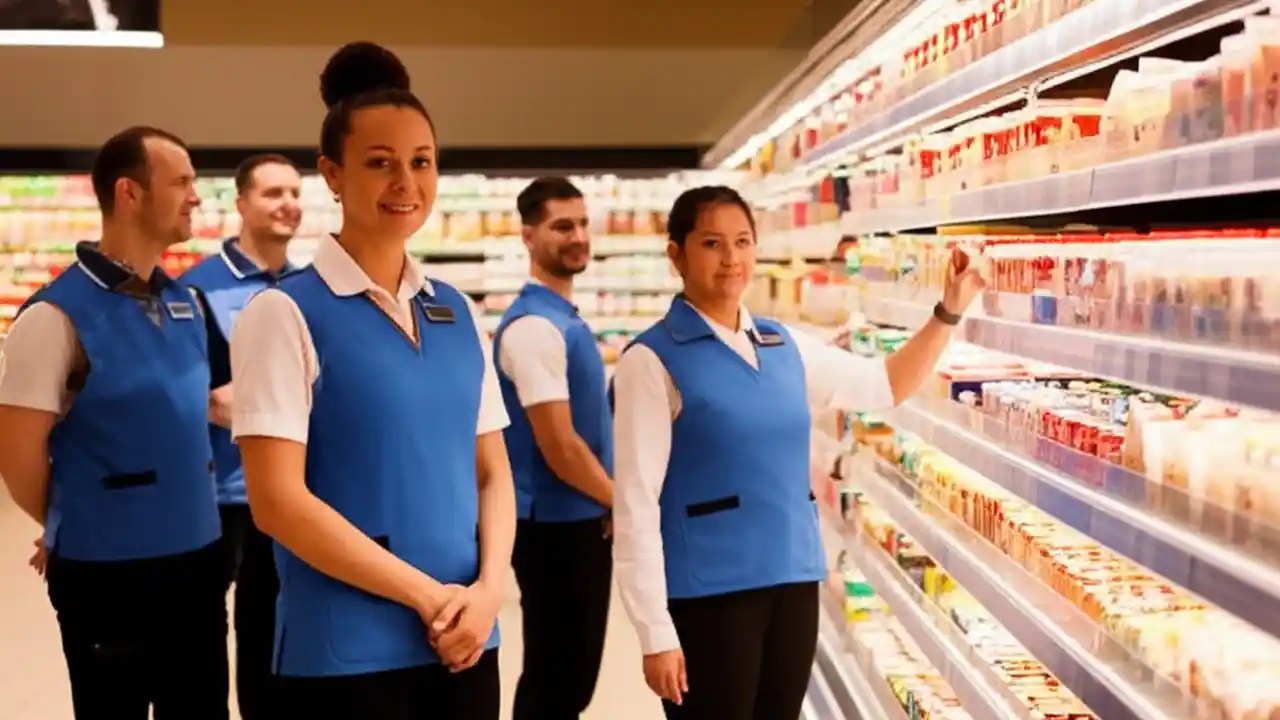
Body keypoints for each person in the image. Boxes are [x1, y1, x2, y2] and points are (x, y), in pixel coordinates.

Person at [611, 185, 984, 720]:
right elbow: (636, 506)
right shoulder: (651, 361)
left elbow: (883, 386)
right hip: (710, 595)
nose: (731, 258)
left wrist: (947, 312)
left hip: (791, 582)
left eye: (742, 241)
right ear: (677, 255)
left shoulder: (783, 344)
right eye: (712, 243)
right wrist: (653, 632)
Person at [228, 41, 515, 720]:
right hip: (346, 655)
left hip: (468, 639)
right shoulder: (285, 313)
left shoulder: (457, 311)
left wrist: (488, 592)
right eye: (380, 164)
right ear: (332, 173)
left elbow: (493, 472)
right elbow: (276, 502)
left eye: (421, 162)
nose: (406, 184)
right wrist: (427, 596)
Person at [0, 126, 228, 720]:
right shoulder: (54, 316)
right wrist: (71, 519)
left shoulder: (186, 303)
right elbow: (17, 452)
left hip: (199, 560)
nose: (195, 197)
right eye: (181, 182)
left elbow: (196, 406)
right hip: (109, 575)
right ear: (129, 193)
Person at [179, 152, 303, 720]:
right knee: (203, 633)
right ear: (241, 202)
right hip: (218, 493)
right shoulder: (197, 290)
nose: (288, 205)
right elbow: (198, 398)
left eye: (296, 193)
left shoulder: (309, 288)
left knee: (271, 627)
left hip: (291, 490)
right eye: (274, 193)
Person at [494, 177, 613, 720]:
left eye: (583, 224)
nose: (578, 236)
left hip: (574, 519)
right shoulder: (536, 328)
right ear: (528, 235)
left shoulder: (560, 318)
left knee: (567, 673)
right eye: (562, 226)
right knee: (558, 675)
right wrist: (622, 501)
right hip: (555, 525)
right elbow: (559, 445)